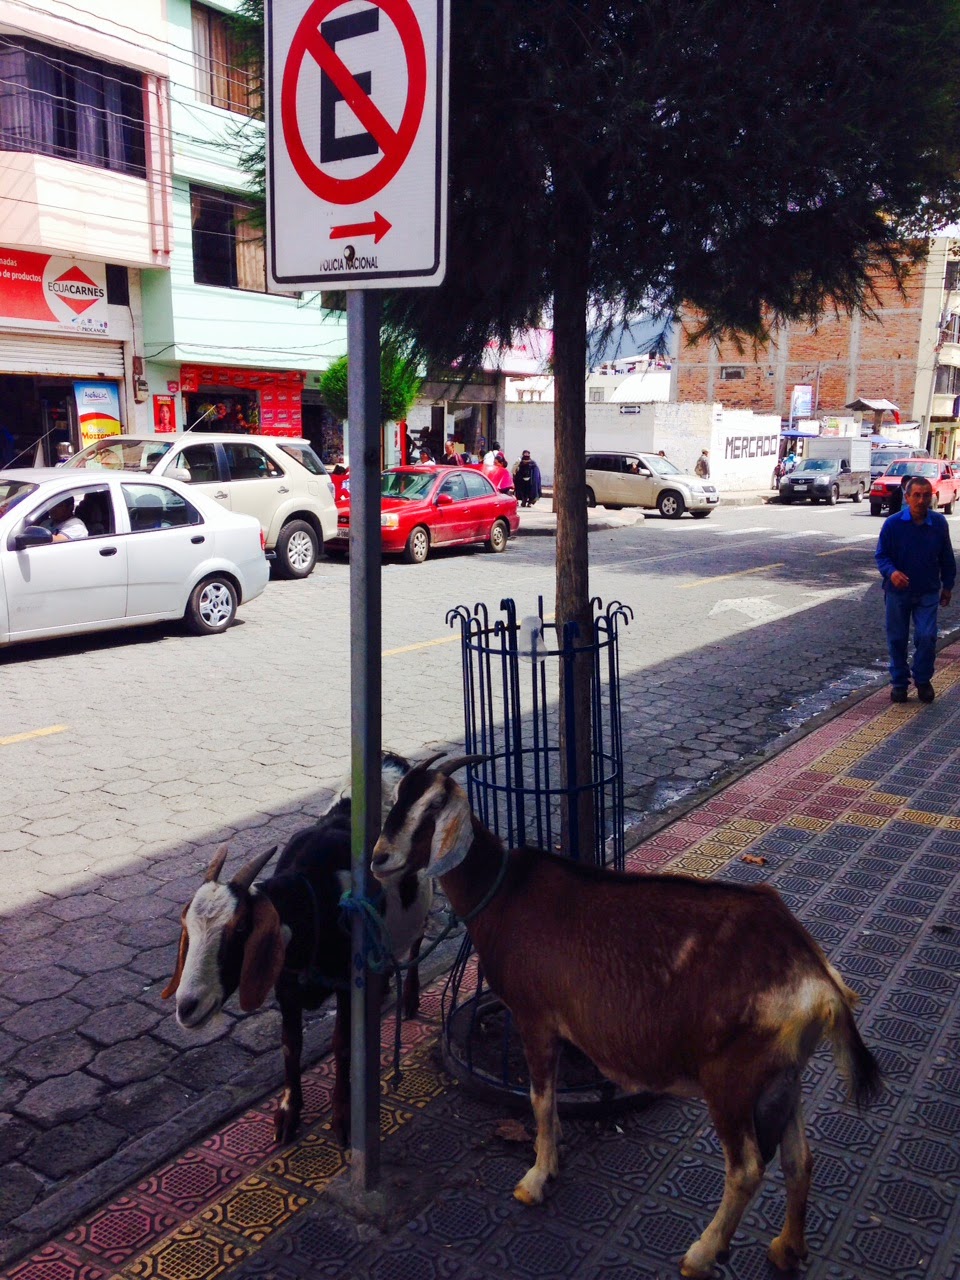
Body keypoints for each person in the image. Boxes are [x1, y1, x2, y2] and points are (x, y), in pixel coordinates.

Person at [875, 475, 956, 703]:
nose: (921, 500)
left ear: (932, 497)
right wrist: (892, 572)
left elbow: (947, 557)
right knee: (897, 639)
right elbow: (881, 555)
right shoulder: (893, 524)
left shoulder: (938, 524)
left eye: (926, 495)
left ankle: (922, 679)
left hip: (927, 591)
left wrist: (948, 585)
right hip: (897, 593)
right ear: (907, 497)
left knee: (927, 636)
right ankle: (899, 683)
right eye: (916, 495)